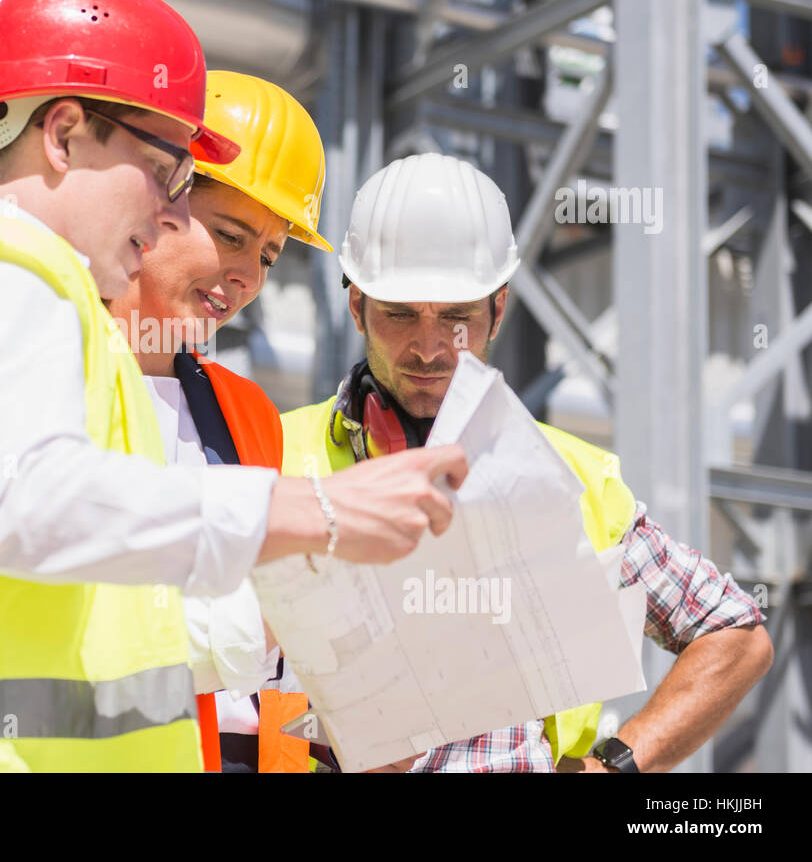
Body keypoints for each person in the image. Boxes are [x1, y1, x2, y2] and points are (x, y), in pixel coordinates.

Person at [0, 0, 469, 772]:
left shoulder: (21, 297)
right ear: (65, 134)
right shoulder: (3, 269)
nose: (169, 208)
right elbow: (28, 504)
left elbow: (107, 629)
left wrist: (281, 621)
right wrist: (311, 508)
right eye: (168, 170)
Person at [279, 152, 773, 772]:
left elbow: (733, 633)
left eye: (456, 316)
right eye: (400, 313)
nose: (429, 347)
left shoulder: (568, 478)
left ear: (497, 310)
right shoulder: (276, 457)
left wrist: (612, 767)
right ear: (357, 308)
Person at [106, 70, 332, 772]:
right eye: (231, 234)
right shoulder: (63, 365)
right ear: (155, 196)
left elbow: (275, 666)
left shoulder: (246, 413)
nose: (246, 276)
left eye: (268, 254)